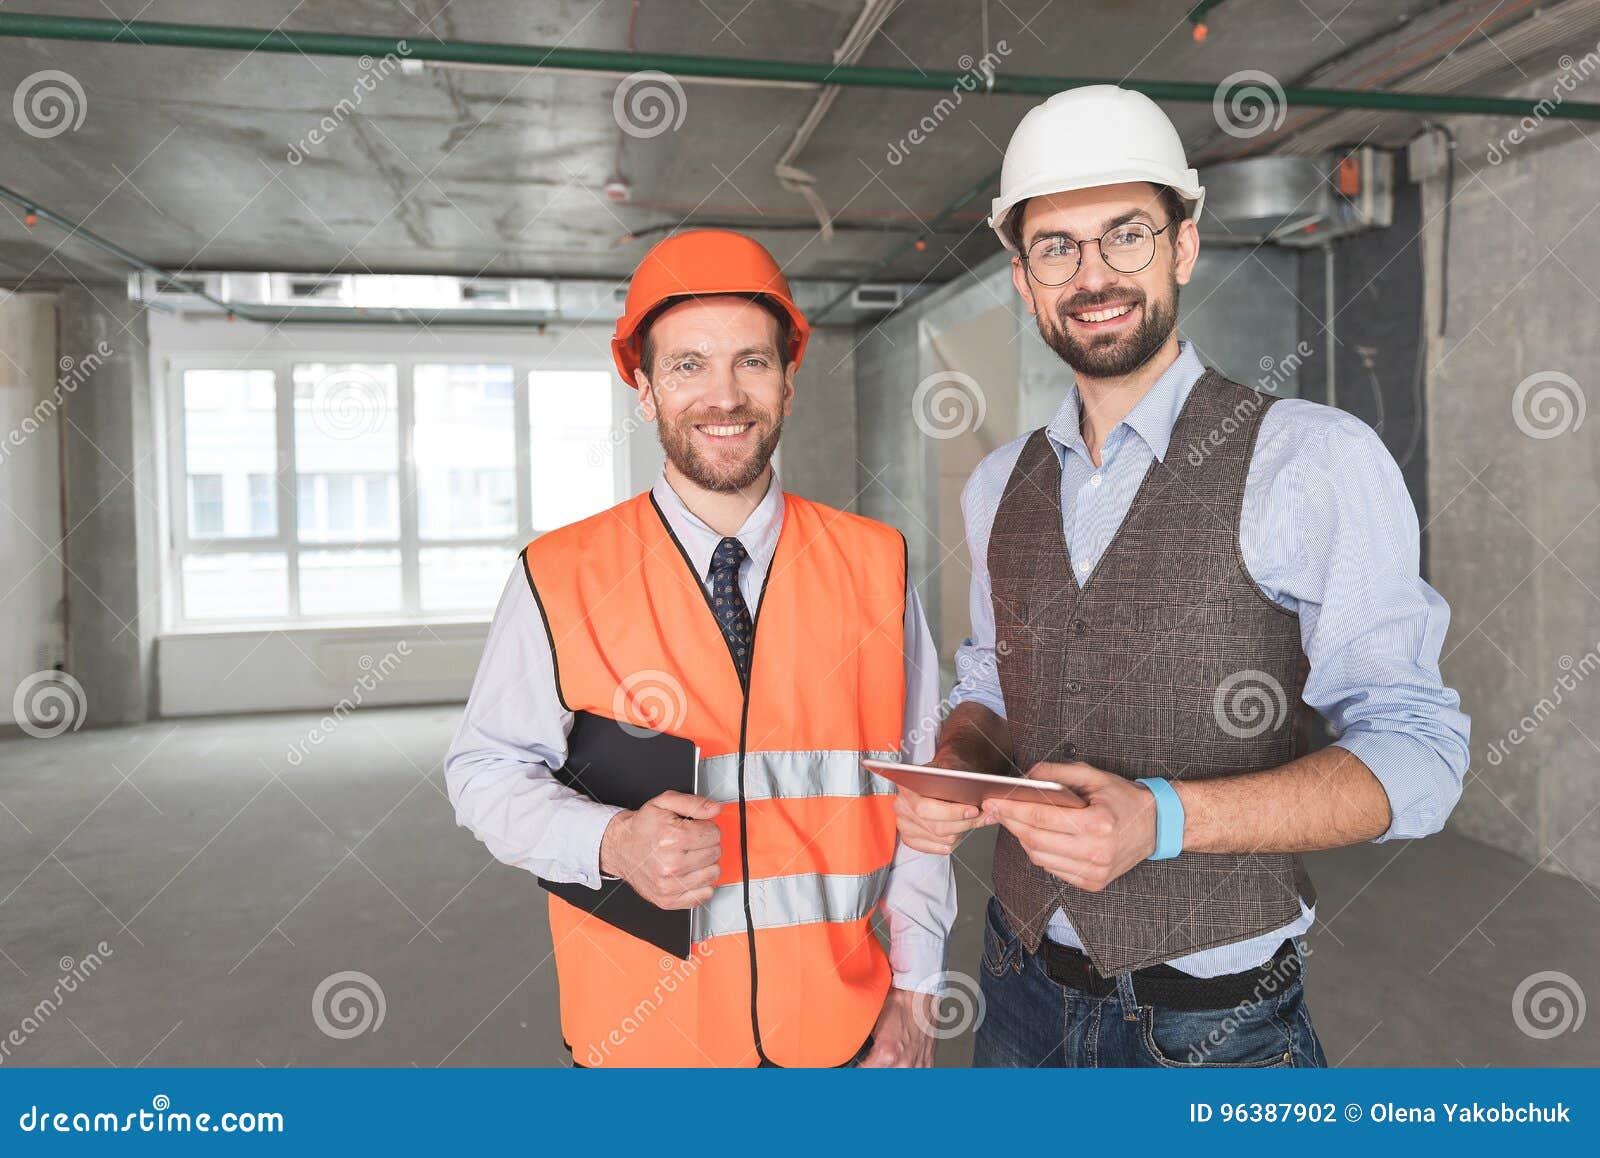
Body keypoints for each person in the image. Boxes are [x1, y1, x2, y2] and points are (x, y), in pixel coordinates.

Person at [894, 86, 1470, 1068]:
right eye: (1057, 246)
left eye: (1126, 234)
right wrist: (957, 760)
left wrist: (1162, 819)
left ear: (1183, 247)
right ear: (1024, 279)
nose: (1092, 274)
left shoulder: (1312, 459)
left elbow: (1419, 755)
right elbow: (992, 684)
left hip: (1216, 1027)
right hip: (1017, 988)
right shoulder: (997, 485)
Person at [445, 229, 954, 1068]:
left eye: (752, 362)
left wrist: (918, 987)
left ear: (790, 383)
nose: (724, 397)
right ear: (642, 390)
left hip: (843, 1040)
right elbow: (484, 772)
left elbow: (923, 800)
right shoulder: (559, 575)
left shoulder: (876, 565)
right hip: (645, 1049)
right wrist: (610, 843)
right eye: (688, 366)